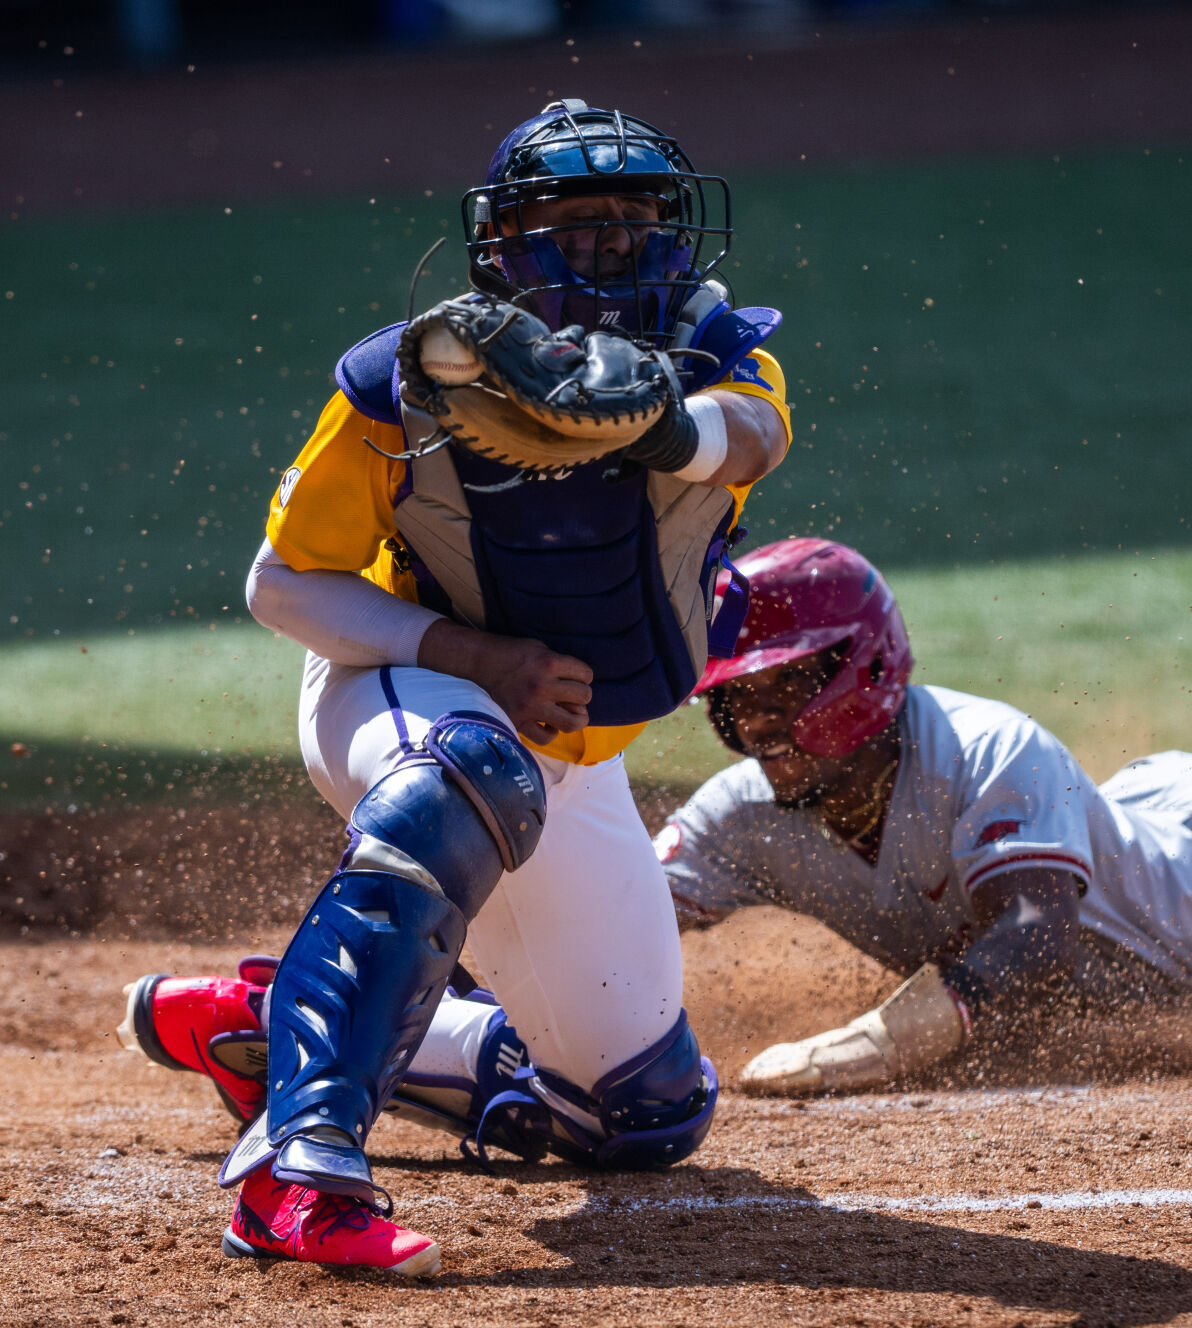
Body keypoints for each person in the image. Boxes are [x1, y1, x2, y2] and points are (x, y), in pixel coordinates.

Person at [123, 539, 1192, 1143]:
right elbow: (586, 931)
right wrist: (365, 1000)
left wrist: (888, 1036)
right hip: (1186, 800)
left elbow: (1037, 934)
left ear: (864, 672)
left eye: (787, 691)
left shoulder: (991, 747)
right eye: (744, 700)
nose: (762, 724)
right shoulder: (749, 814)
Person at [137, 98, 791, 1275]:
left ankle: (272, 1023)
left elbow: (747, 436)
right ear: (507, 243)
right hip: (404, 691)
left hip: (574, 767)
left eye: (636, 217)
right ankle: (297, 1171)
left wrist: (649, 422)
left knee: (642, 1113)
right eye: (575, 221)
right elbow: (281, 583)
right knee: (470, 770)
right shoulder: (405, 384)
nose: (613, 241)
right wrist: (474, 657)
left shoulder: (721, 368)